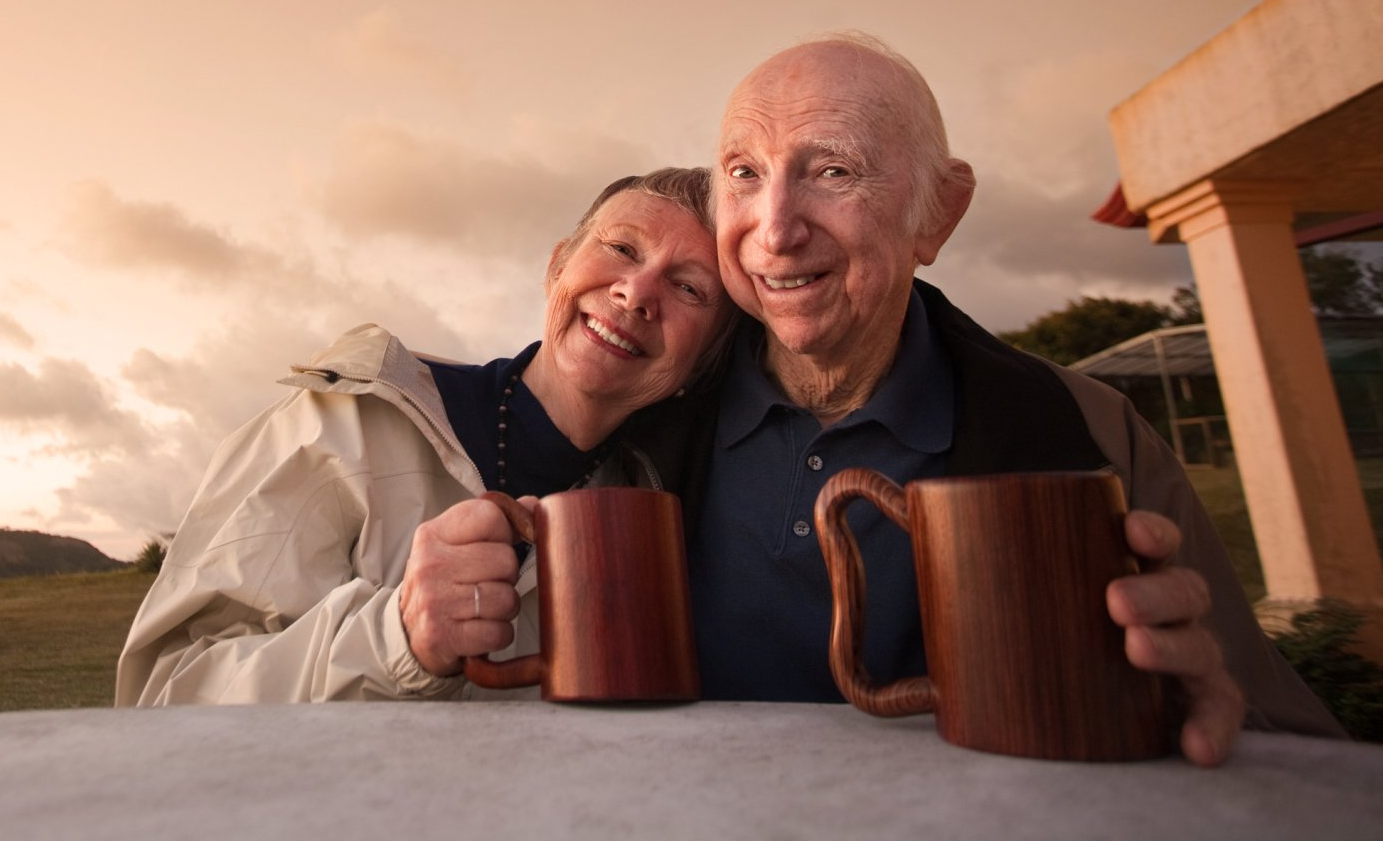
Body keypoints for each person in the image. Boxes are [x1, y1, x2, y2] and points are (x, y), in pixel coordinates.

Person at [630, 33, 1345, 767]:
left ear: (937, 212)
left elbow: (1265, 715)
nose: (774, 229)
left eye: (834, 171)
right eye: (744, 172)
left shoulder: (1088, 431)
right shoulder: (644, 418)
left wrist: (1200, 701)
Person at [115, 167, 735, 705]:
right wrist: (397, 639)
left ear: (702, 362)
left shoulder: (649, 517)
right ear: (556, 267)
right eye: (623, 248)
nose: (637, 292)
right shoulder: (341, 424)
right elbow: (166, 692)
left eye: (689, 288)